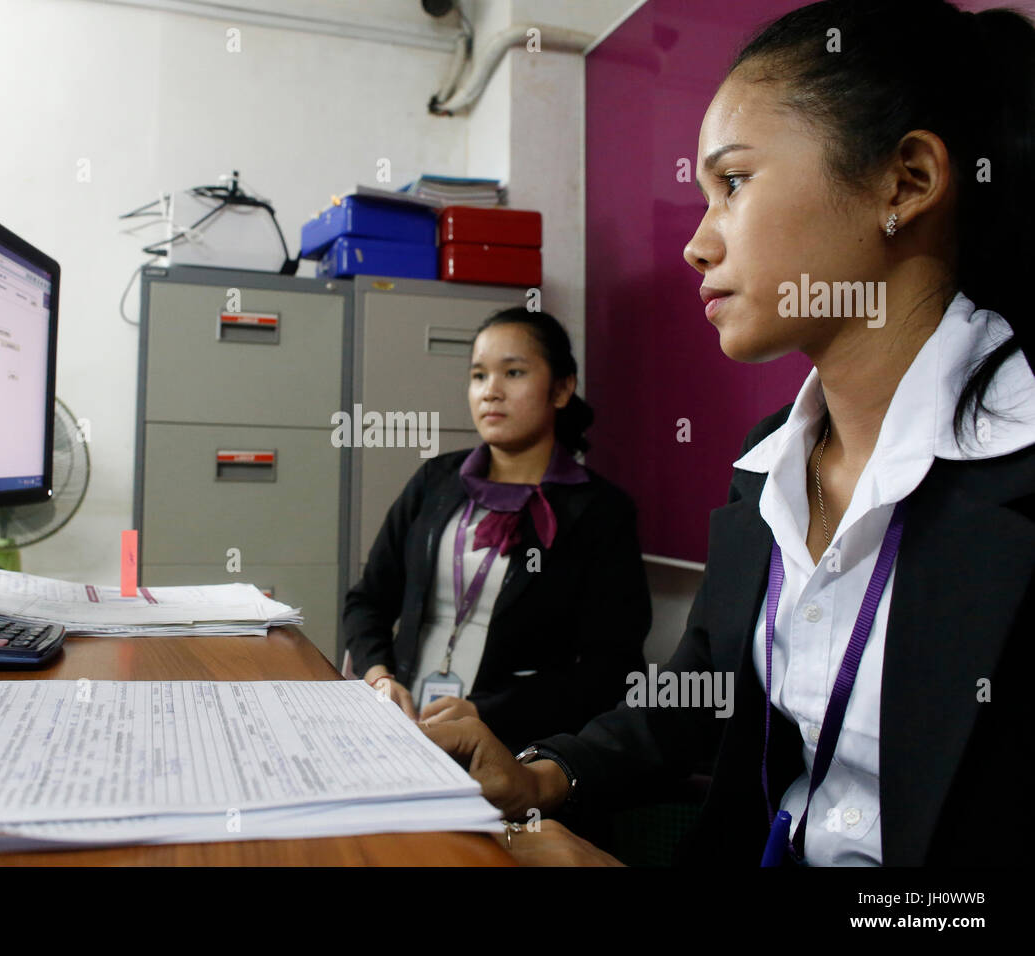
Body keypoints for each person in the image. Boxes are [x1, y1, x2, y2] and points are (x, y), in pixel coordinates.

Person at [423, 0, 1035, 867]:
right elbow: (697, 693)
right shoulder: (769, 463)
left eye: (734, 185)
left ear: (906, 183)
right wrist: (544, 778)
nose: (695, 245)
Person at [343, 307, 651, 756]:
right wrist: (380, 676)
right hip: (404, 729)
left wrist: (487, 712)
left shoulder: (600, 511)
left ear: (562, 389)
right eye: (479, 375)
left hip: (517, 748)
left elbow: (611, 668)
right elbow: (367, 600)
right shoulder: (435, 482)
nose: (491, 391)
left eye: (514, 372)